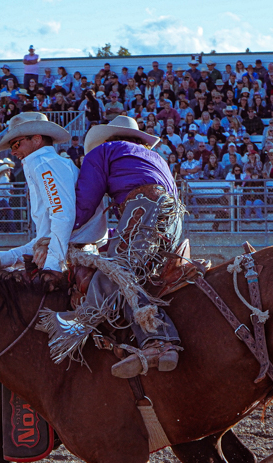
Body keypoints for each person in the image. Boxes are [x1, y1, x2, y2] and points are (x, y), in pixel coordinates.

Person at [42, 115, 184, 378]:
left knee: (116, 271)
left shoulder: (102, 152)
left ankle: (158, 340)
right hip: (171, 219)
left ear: (107, 138)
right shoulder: (156, 158)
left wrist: (59, 234)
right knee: (138, 273)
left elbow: (85, 203)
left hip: (143, 211)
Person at [0, 112, 89, 274]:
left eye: (16, 144)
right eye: (11, 147)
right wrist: (6, 257)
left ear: (36, 139)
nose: (13, 152)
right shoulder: (47, 163)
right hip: (76, 258)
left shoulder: (43, 163)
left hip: (74, 262)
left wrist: (52, 267)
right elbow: (45, 238)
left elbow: (62, 217)